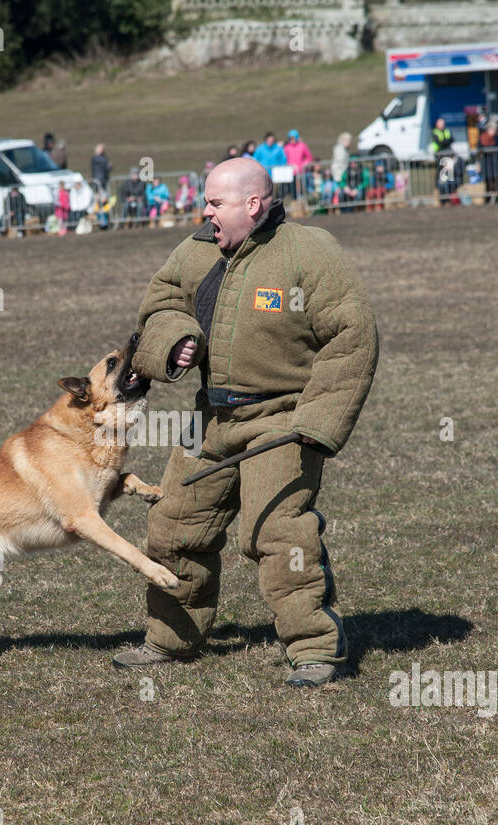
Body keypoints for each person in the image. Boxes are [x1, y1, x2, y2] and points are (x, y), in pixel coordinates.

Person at [113, 157, 378, 688]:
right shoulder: (196, 251)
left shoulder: (309, 252)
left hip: (281, 419)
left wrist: (317, 422)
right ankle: (171, 639)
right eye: (206, 201)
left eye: (215, 202)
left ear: (252, 205)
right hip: (207, 415)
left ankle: (316, 651)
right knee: (172, 525)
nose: (205, 211)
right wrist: (174, 340)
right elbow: (160, 306)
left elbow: (353, 335)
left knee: (277, 533)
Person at [478, 113, 498, 201]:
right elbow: (480, 148)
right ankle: (488, 197)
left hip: (495, 161)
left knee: (496, 179)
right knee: (488, 179)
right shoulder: (483, 137)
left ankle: (497, 197)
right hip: (486, 162)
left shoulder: (497, 137)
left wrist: (495, 135)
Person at [282, 129, 314, 196]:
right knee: (293, 191)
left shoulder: (302, 146)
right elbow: (284, 159)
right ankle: (294, 202)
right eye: (290, 138)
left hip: (301, 172)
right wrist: (288, 164)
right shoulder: (286, 147)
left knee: (303, 190)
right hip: (290, 172)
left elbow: (309, 157)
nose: (292, 140)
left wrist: (305, 163)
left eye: (293, 138)